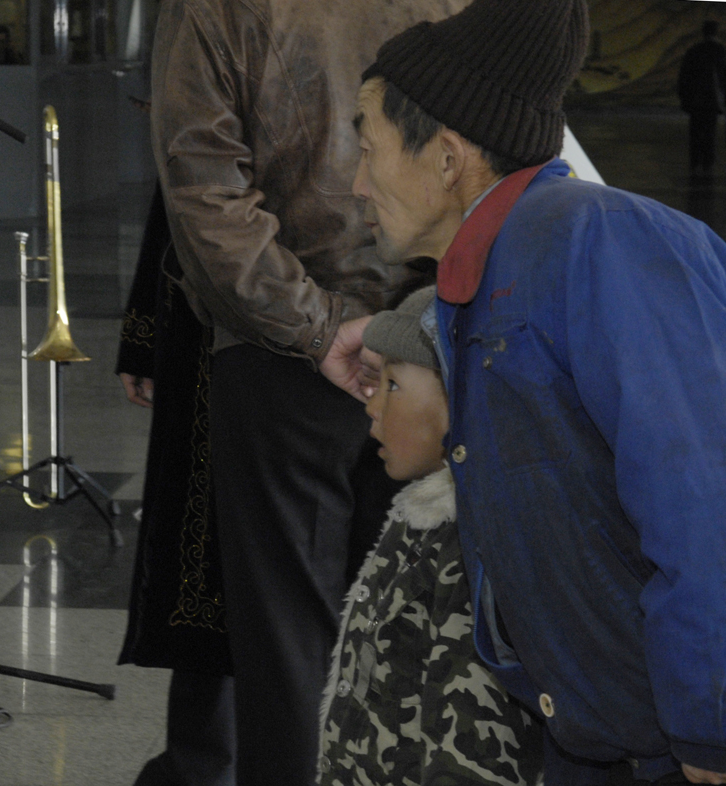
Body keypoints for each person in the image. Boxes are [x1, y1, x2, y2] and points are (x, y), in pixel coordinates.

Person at [345, 0, 726, 783]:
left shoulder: (600, 240)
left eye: (367, 148)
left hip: (687, 751)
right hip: (600, 733)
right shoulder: (488, 274)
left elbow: (712, 489)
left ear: (447, 158)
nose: (355, 184)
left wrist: (718, 721)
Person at [148, 0, 468, 782]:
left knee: (287, 642)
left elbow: (205, 193)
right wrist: (420, 318)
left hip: (280, 355)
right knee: (414, 622)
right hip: (426, 339)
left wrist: (320, 328)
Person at [317, 285, 543, 786]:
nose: (372, 405)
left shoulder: (472, 554)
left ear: (465, 398)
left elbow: (472, 751)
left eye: (393, 385)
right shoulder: (426, 519)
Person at [116, 183, 235, 786]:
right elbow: (176, 196)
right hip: (208, 329)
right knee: (206, 560)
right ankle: (200, 762)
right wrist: (143, 340)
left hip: (304, 339)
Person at [678, 20, 726, 174]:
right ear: (716, 32)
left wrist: (683, 98)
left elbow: (684, 76)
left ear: (703, 32)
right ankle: (708, 163)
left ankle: (695, 161)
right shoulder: (721, 51)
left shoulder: (694, 50)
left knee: (695, 132)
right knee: (710, 133)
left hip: (695, 100)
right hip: (713, 100)